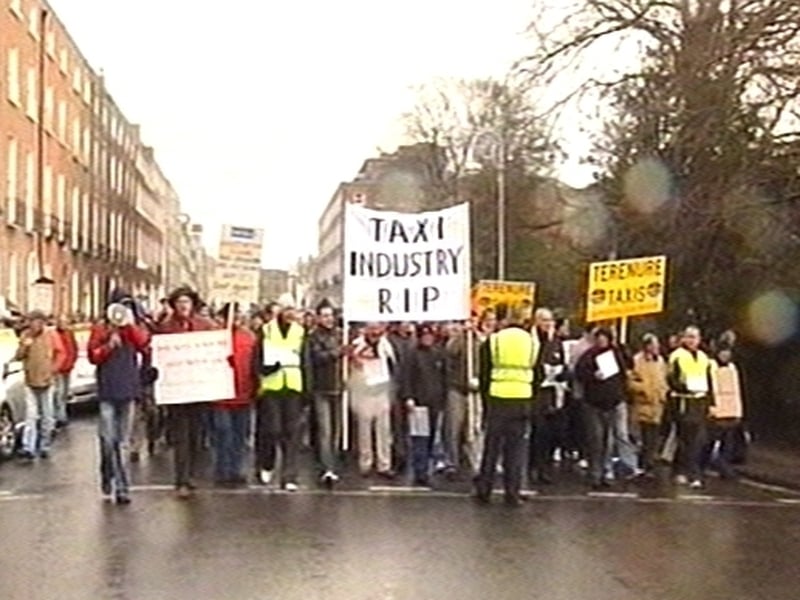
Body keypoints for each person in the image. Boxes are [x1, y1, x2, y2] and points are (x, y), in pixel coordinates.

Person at [87, 290, 151, 504]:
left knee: (121, 442)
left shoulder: (132, 328)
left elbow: (144, 345)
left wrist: (129, 326)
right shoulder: (100, 328)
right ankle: (107, 474)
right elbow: (92, 356)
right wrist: (107, 346)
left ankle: (122, 488)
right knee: (107, 441)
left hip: (128, 391)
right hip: (107, 391)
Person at [474, 308, 539, 507]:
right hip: (521, 400)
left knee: (491, 448)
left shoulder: (494, 341)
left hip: (497, 398)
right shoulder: (532, 342)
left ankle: (484, 490)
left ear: (506, 321)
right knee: (516, 450)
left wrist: (485, 400)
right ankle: (512, 493)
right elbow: (538, 374)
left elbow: (484, 374)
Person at [158, 286, 217, 499]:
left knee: (196, 436)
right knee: (181, 436)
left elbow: (215, 353)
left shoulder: (206, 326)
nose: (183, 306)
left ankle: (192, 475)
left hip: (199, 389)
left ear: (193, 304)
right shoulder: (165, 328)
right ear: (174, 305)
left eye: (187, 302)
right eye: (179, 302)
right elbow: (157, 355)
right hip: (177, 391)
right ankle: (181, 479)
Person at [253, 302, 312, 491]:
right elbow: (257, 358)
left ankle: (289, 476)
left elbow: (306, 361)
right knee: (272, 430)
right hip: (271, 386)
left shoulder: (300, 332)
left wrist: (307, 390)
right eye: (286, 310)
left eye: (293, 310)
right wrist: (262, 372)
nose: (290, 314)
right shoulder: (266, 330)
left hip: (293, 387)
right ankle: (267, 463)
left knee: (292, 433)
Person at [575, 328, 628, 490]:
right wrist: (593, 375)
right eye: (599, 338)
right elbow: (579, 373)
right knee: (596, 439)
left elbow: (625, 371)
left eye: (605, 338)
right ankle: (595, 474)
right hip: (593, 403)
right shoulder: (588, 356)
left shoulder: (617, 354)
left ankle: (606, 471)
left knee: (608, 440)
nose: (602, 341)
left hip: (612, 402)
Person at [212, 303, 256, 487]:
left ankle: (237, 470)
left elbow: (255, 363)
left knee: (240, 436)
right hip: (221, 396)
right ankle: (223, 471)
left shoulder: (250, 337)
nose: (238, 317)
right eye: (234, 314)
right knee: (224, 434)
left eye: (239, 313)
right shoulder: (215, 338)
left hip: (244, 393)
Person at [13, 310, 66, 460]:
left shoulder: (51, 335)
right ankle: (28, 447)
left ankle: (45, 445)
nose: (34, 325)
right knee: (31, 416)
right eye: (32, 321)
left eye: (37, 322)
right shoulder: (25, 335)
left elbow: (61, 353)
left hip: (47, 381)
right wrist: (24, 346)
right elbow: (18, 356)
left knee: (47, 416)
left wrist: (53, 369)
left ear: (42, 322)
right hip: (30, 380)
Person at [348, 323, 397, 479]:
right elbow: (350, 364)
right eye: (372, 329)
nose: (376, 332)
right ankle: (365, 463)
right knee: (364, 430)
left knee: (384, 429)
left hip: (381, 389)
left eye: (378, 329)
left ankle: (384, 464)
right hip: (364, 390)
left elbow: (393, 363)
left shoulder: (386, 344)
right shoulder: (356, 344)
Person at [667, 326, 713, 489]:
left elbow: (709, 380)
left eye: (695, 337)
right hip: (683, 401)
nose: (692, 340)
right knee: (685, 438)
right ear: (683, 339)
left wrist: (711, 403)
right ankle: (680, 471)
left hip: (699, 401)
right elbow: (671, 379)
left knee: (697, 440)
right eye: (689, 337)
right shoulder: (677, 356)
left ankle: (692, 472)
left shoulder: (704, 357)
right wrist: (685, 387)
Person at [402, 324, 448, 487]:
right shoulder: (412, 354)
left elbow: (444, 376)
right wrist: (408, 397)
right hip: (419, 402)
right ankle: (420, 472)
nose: (428, 338)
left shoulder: (438, 354)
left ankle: (425, 469)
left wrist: (443, 397)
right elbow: (406, 377)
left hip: (435, 401)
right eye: (425, 336)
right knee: (420, 438)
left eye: (430, 336)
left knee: (430, 438)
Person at [529, 308, 568, 485]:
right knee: (538, 431)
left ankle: (547, 466)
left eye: (549, 320)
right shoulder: (531, 340)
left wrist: (561, 373)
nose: (547, 324)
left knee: (554, 432)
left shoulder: (556, 342)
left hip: (553, 392)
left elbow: (562, 363)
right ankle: (534, 467)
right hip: (535, 393)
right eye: (543, 320)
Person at [309, 303, 344, 486]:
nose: (328, 319)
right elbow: (317, 358)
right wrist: (337, 353)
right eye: (324, 316)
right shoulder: (314, 336)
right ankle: (326, 467)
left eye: (330, 315)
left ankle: (333, 464)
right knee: (325, 430)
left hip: (338, 388)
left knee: (336, 431)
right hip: (322, 388)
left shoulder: (340, 334)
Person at [628, 334, 669, 475]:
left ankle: (649, 463)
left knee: (654, 436)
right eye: (654, 345)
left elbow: (664, 379)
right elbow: (630, 381)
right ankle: (642, 463)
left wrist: (663, 392)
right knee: (643, 436)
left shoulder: (660, 361)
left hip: (657, 404)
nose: (656, 348)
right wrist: (644, 389)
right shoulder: (637, 360)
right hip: (643, 403)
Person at [701, 344, 743, 480]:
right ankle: (701, 464)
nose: (725, 355)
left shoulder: (733, 368)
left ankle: (725, 469)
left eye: (728, 353)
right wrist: (710, 407)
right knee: (710, 440)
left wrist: (738, 411)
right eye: (723, 352)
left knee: (727, 442)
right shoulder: (710, 366)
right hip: (716, 410)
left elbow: (736, 391)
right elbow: (708, 388)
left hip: (731, 410)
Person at [53, 315, 79, 428]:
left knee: (64, 393)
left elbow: (73, 348)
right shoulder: (54, 334)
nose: (62, 324)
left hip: (67, 368)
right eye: (60, 322)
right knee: (59, 393)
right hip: (58, 368)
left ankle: (61, 415)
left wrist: (72, 361)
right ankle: (60, 417)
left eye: (64, 322)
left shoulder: (69, 333)